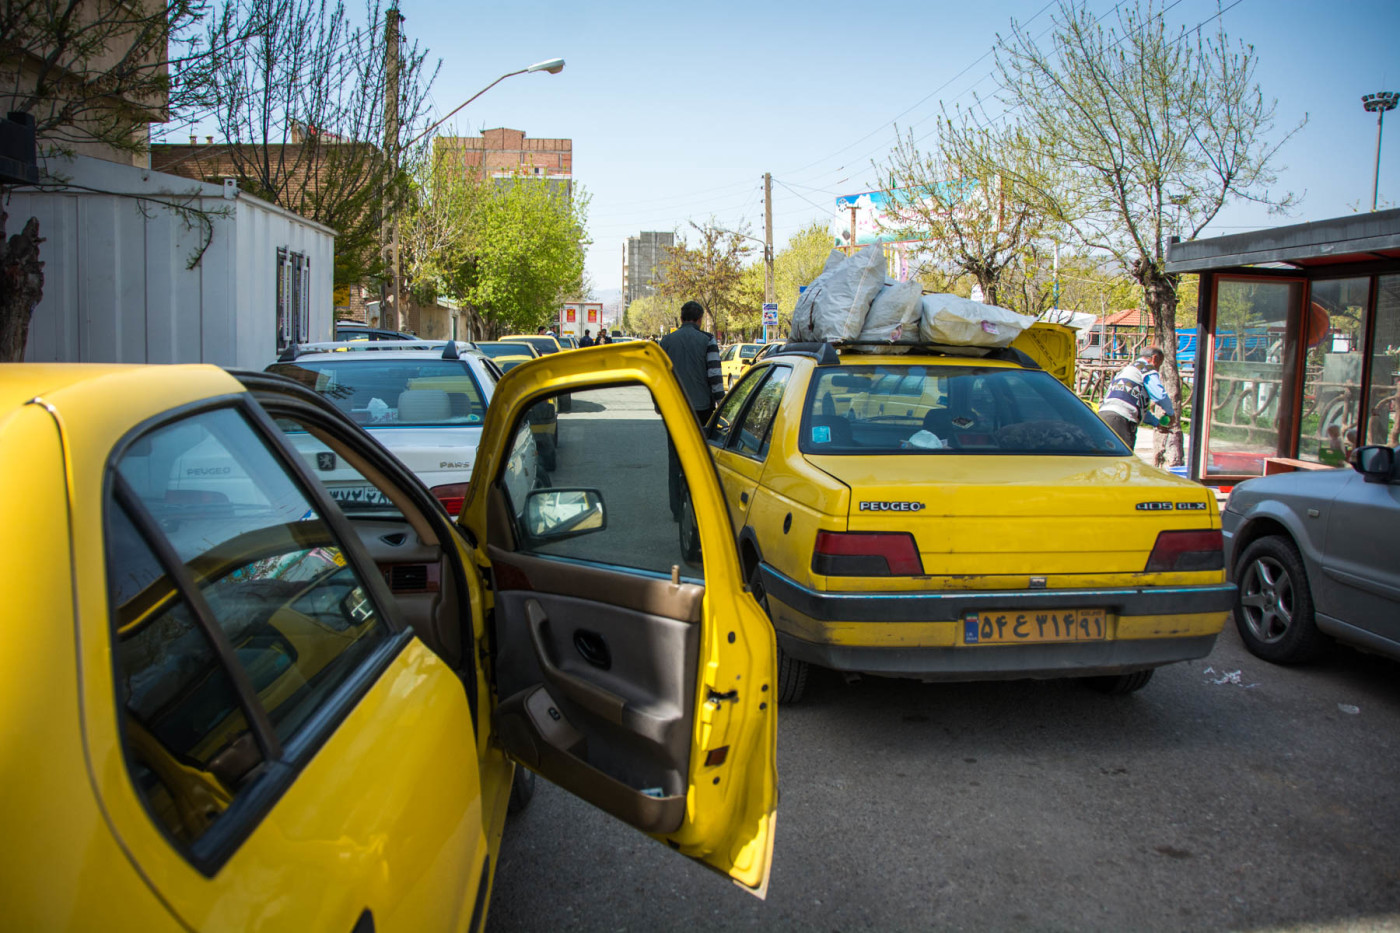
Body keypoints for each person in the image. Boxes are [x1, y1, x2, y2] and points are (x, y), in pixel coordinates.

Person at [659, 300, 724, 521]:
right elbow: (715, 377)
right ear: (699, 319)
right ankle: (696, 504)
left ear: (681, 318)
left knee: (675, 458)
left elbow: (659, 378)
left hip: (674, 409)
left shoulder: (666, 341)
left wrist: (660, 406)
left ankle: (677, 508)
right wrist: (720, 405)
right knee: (699, 458)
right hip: (701, 411)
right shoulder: (707, 340)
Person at [1098, 346, 1175, 449]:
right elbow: (1160, 396)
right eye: (1159, 365)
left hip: (1103, 416)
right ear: (1154, 358)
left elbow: (1132, 406)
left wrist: (1156, 423)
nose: (1157, 369)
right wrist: (1171, 414)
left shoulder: (1126, 370)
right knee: (1122, 460)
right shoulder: (1146, 368)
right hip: (1121, 420)